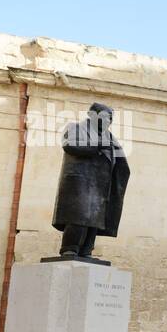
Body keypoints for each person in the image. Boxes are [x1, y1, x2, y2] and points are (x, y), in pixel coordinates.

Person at [53, 103, 130, 259]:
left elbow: (120, 159)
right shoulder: (75, 127)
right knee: (78, 216)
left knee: (95, 220)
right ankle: (69, 248)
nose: (108, 121)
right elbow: (69, 145)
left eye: (110, 118)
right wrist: (98, 145)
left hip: (101, 184)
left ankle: (86, 250)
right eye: (104, 117)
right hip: (79, 181)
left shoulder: (109, 136)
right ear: (92, 115)